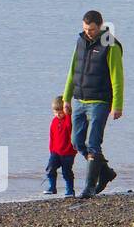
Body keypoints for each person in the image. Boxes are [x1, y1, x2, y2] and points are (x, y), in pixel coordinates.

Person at [61, 10, 124, 198]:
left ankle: (89, 188)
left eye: (92, 29)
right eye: (85, 28)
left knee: (93, 143)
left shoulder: (110, 45)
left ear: (100, 26)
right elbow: (73, 70)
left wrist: (117, 104)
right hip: (79, 99)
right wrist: (66, 98)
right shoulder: (80, 42)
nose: (88, 32)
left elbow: (117, 77)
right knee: (77, 142)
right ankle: (105, 172)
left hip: (100, 101)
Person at [45, 95, 77, 197]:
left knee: (66, 172)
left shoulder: (68, 121)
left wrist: (68, 113)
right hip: (55, 152)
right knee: (50, 168)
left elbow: (69, 126)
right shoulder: (54, 121)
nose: (58, 114)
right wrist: (51, 150)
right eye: (56, 112)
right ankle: (52, 187)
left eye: (60, 111)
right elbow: (52, 137)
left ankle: (70, 191)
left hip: (68, 153)